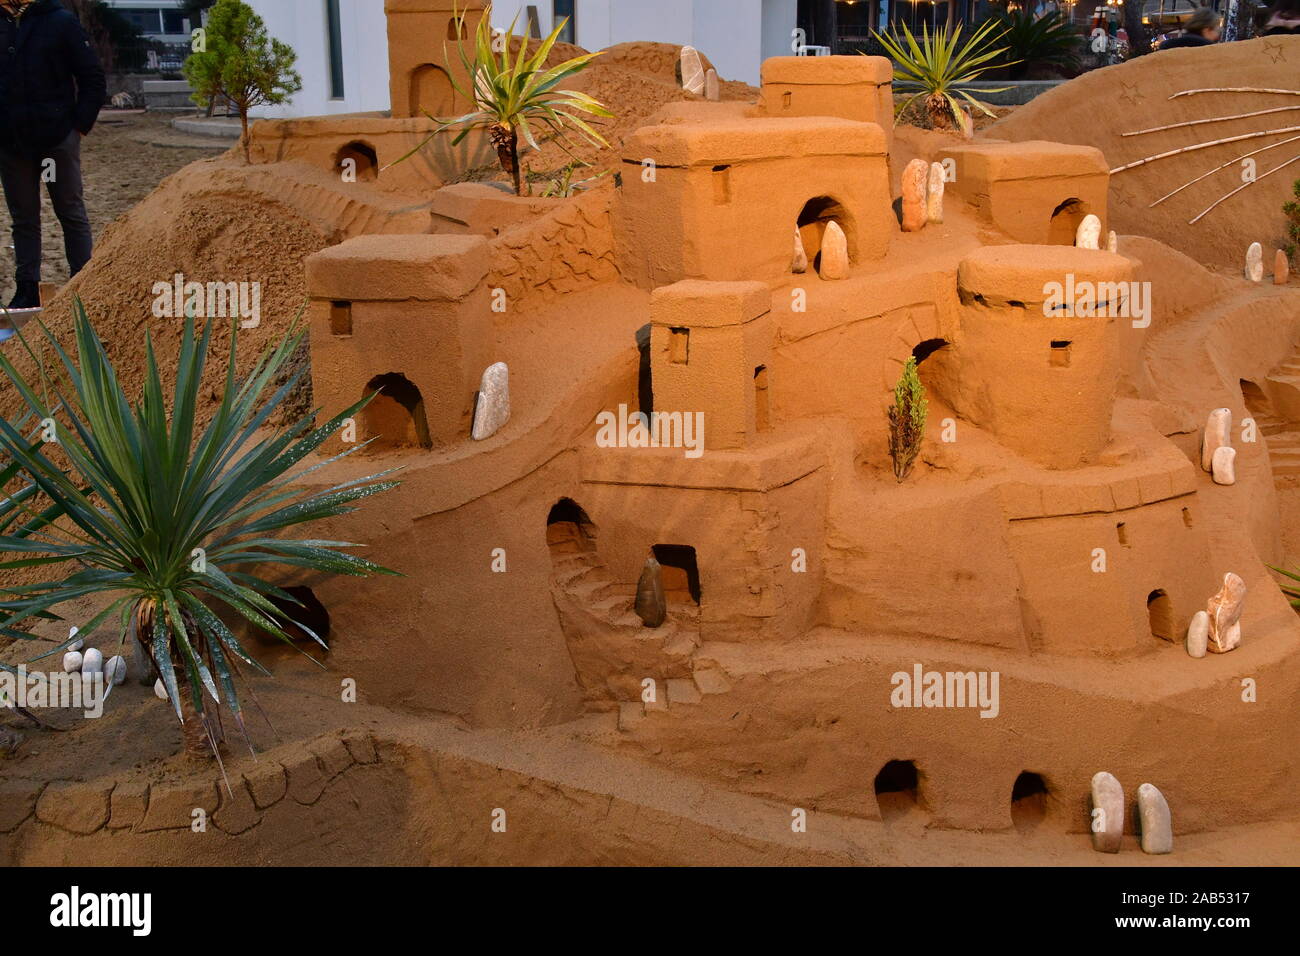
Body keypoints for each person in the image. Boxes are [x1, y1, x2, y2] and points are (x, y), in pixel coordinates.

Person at [0, 0, 105, 333]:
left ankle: (83, 282)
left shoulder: (60, 21)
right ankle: (27, 288)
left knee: (70, 211)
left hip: (55, 142)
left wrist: (77, 129)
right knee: (24, 219)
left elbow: (92, 78)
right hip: (12, 145)